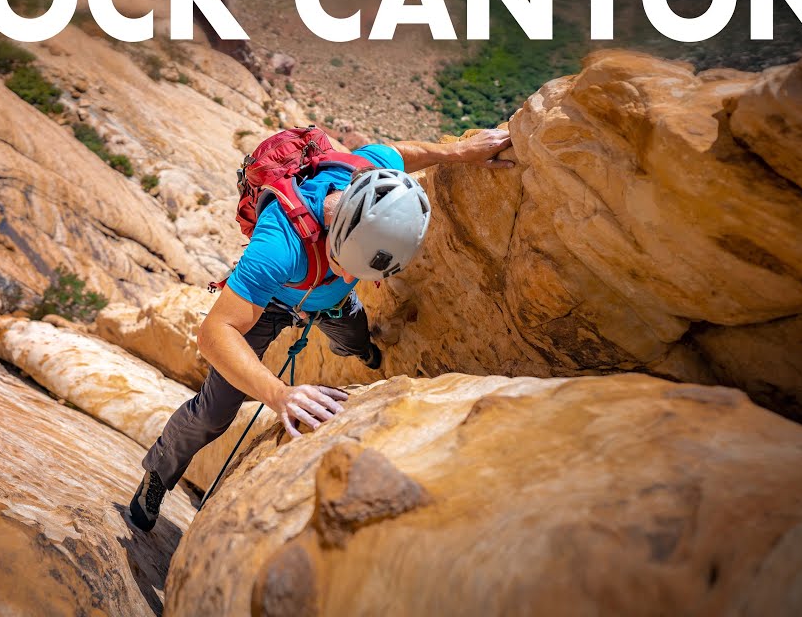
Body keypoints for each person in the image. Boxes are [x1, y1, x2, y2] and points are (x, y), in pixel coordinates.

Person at [130, 128, 514, 530]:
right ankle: (158, 473)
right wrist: (278, 394)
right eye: (343, 262)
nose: (349, 274)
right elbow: (215, 333)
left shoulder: (371, 176)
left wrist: (460, 152)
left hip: (328, 302)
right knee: (213, 412)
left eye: (356, 270)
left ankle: (359, 350)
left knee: (355, 333)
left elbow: (402, 153)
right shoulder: (279, 245)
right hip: (272, 305)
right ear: (334, 226)